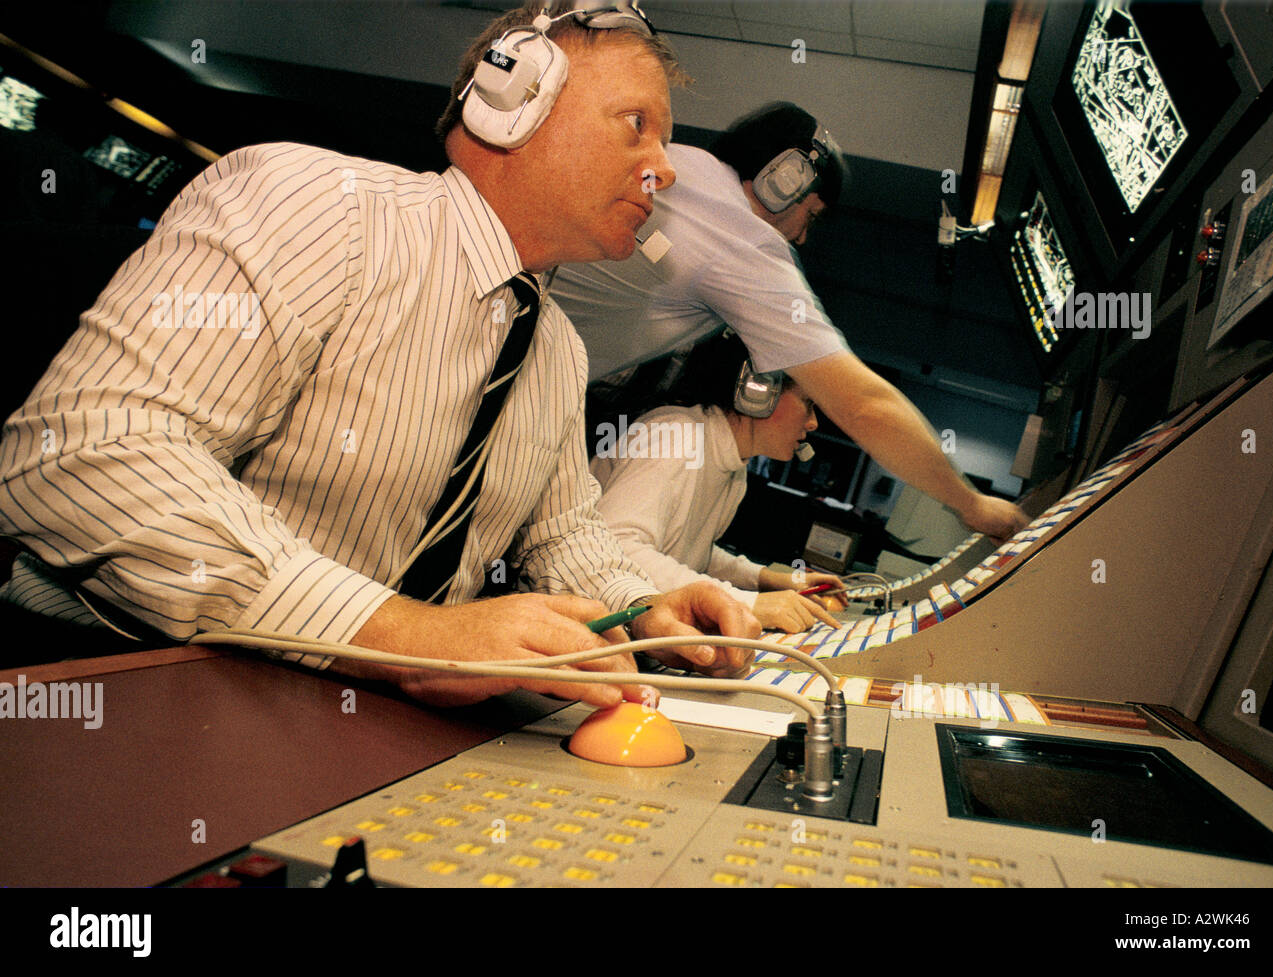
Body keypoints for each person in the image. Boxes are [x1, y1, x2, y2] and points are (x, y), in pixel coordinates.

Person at [0, 2, 759, 707]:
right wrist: (402, 635)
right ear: (512, 97)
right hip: (122, 680)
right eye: (637, 125)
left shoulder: (554, 346)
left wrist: (643, 603)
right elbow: (81, 454)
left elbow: (559, 533)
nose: (664, 168)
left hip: (343, 717)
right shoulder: (314, 204)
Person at [551, 102, 1030, 543]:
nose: (801, 236)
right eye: (812, 215)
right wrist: (973, 505)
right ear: (785, 180)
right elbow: (864, 405)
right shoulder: (743, 244)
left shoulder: (685, 163)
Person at [591, 333, 846, 634]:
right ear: (759, 391)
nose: (813, 423)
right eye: (808, 403)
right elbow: (614, 548)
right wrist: (744, 603)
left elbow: (690, 553)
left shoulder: (731, 464)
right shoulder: (677, 436)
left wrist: (769, 579)